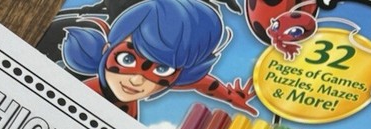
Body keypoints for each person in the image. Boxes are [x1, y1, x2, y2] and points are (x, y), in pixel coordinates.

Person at [58, 0, 255, 119]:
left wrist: (231, 97)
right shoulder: (85, 92)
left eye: (161, 69)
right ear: (107, 48)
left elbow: (202, 83)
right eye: (127, 59)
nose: (136, 80)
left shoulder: (174, 77)